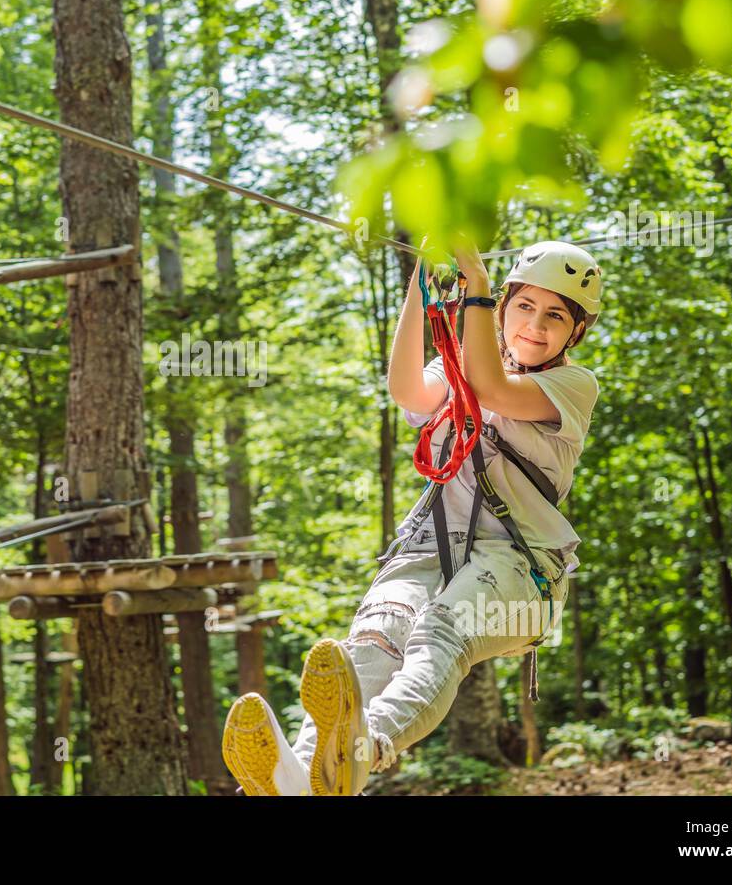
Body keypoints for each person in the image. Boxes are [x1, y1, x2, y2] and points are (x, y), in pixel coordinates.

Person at [221, 240, 603, 795]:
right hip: (431, 548)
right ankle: (298, 779)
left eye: (554, 316)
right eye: (524, 307)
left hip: (521, 567)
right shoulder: (456, 368)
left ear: (575, 332)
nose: (535, 325)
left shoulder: (571, 386)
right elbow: (407, 389)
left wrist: (475, 283)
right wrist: (419, 288)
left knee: (440, 631)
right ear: (504, 309)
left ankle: (367, 742)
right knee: (370, 646)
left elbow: (491, 385)